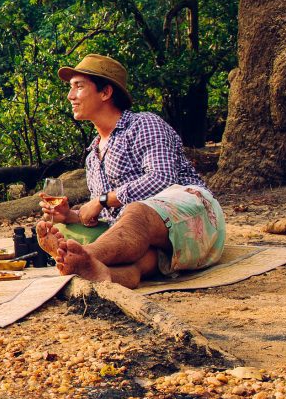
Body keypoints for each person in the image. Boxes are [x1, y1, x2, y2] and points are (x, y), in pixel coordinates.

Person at [36, 54, 226, 289]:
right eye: (70, 87)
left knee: (137, 212)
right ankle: (104, 271)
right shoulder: (93, 155)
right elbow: (113, 217)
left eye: (79, 86)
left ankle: (83, 255)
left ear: (105, 93)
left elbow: (161, 179)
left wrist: (103, 200)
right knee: (136, 257)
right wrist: (72, 216)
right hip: (153, 240)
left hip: (194, 214)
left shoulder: (143, 125)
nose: (70, 95)